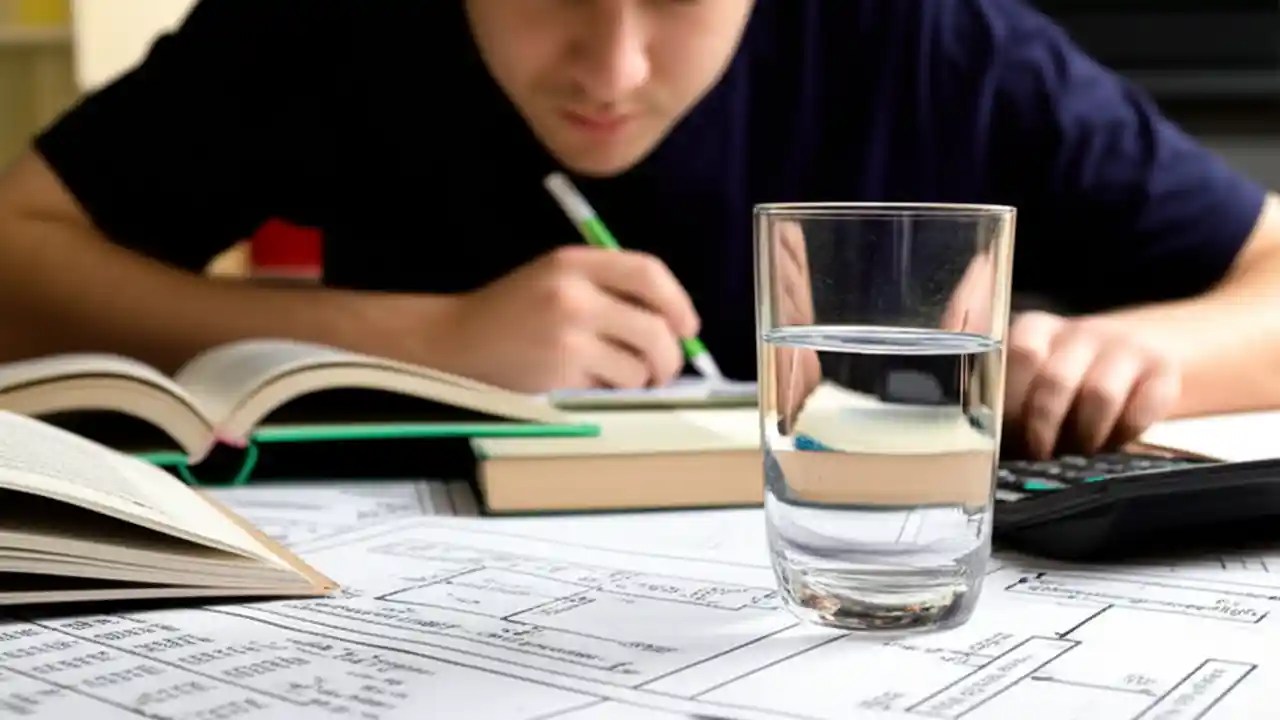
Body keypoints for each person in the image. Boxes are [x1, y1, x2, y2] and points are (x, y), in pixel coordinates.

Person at [0, 0, 1275, 460]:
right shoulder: (329, 24)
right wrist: (423, 344)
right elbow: (19, 253)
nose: (609, 68)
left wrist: (1135, 357)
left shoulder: (936, 39)